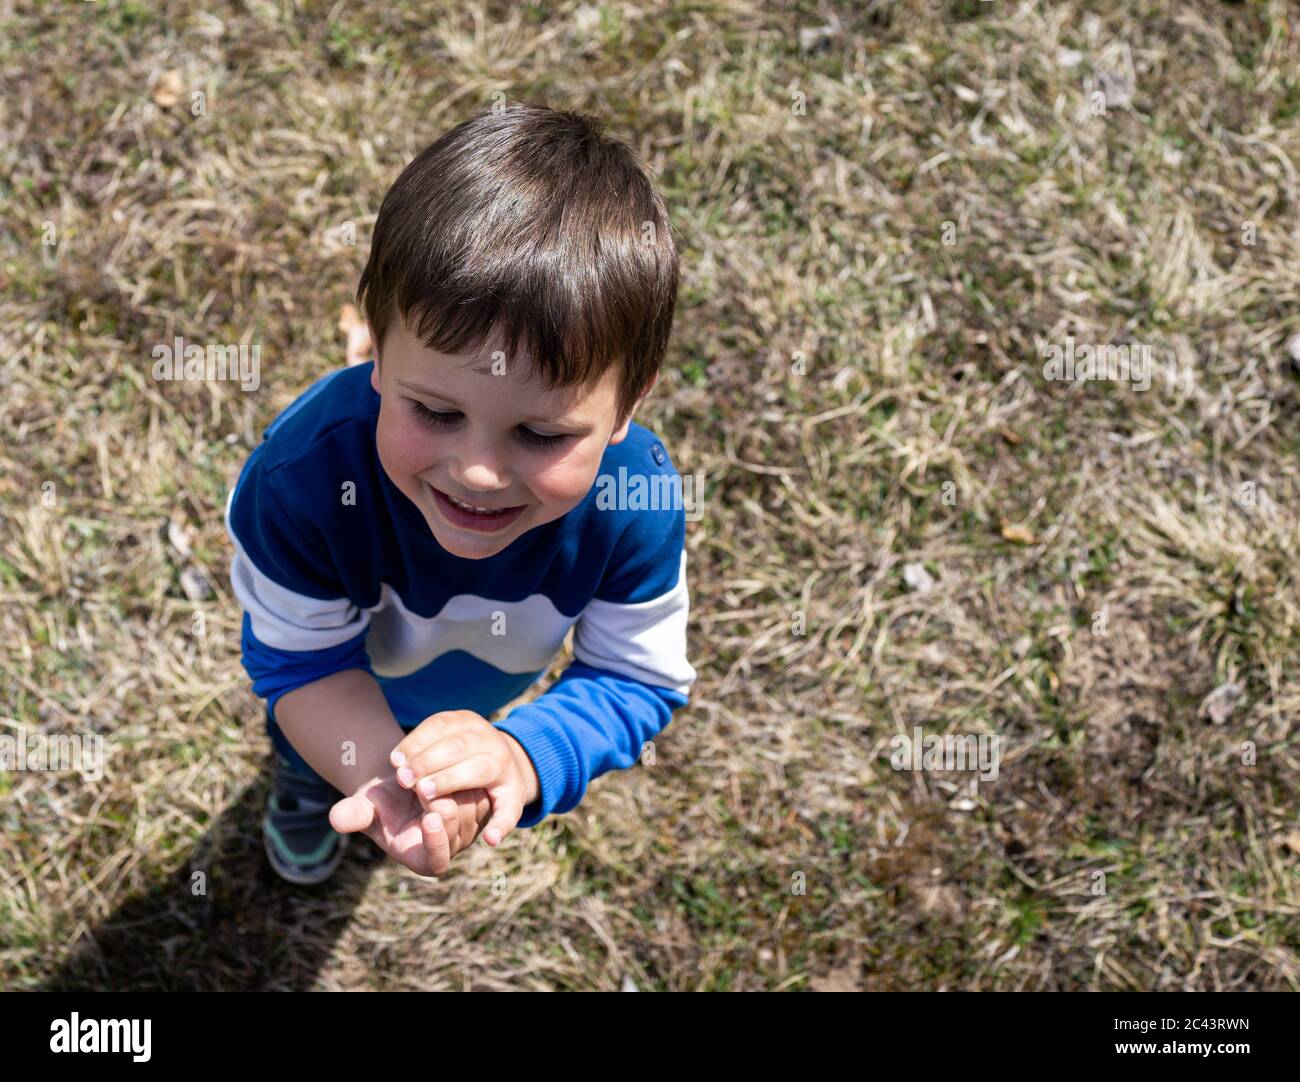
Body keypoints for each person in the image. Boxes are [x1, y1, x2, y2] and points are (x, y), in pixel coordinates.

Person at [224, 102, 696, 884]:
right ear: (377, 353)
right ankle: (305, 799)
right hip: (338, 703)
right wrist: (378, 778)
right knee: (311, 765)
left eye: (541, 435)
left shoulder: (633, 507)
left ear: (630, 405)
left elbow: (637, 676)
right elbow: (303, 666)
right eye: (436, 412)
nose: (479, 472)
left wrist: (518, 754)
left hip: (486, 692)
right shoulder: (304, 483)